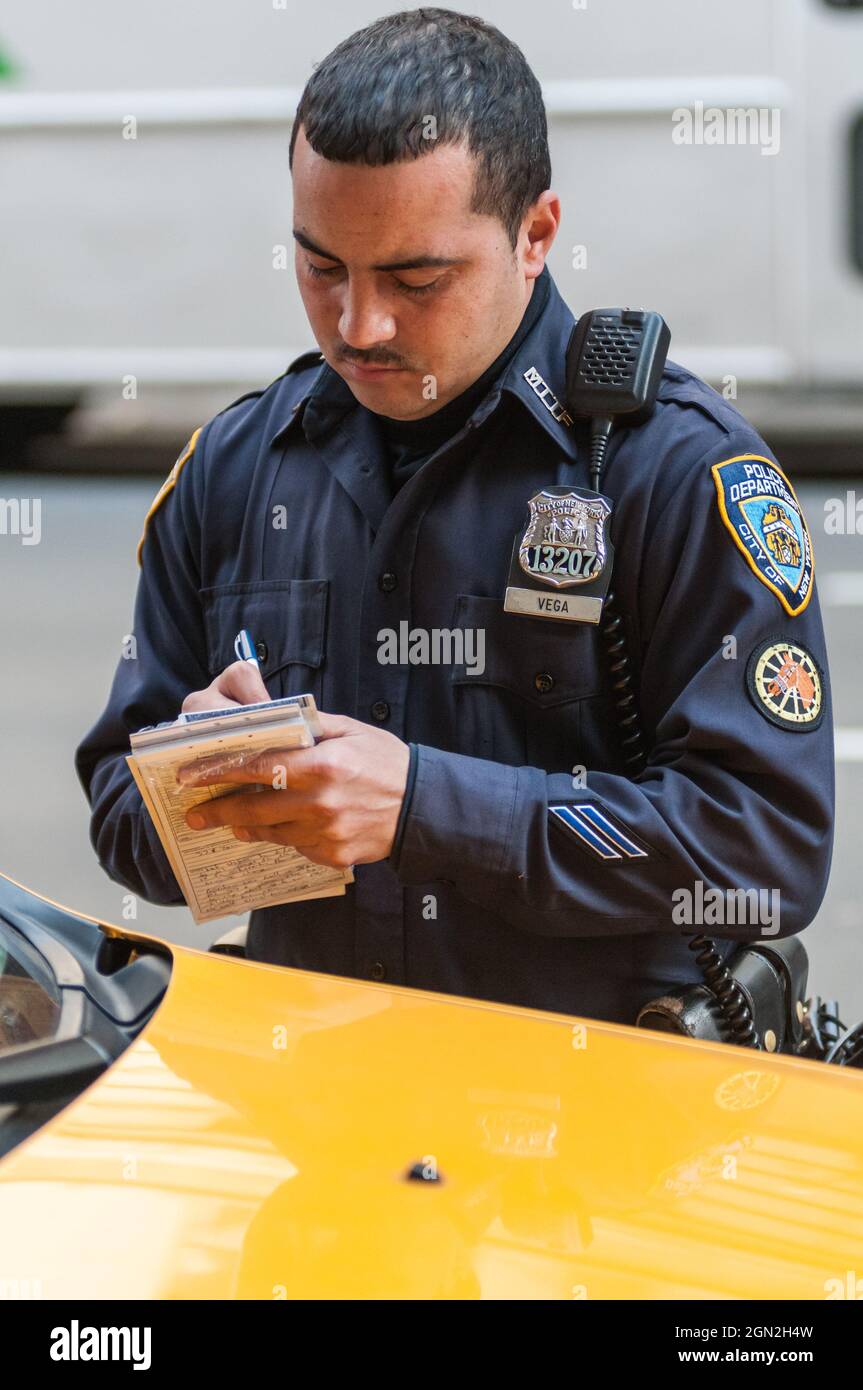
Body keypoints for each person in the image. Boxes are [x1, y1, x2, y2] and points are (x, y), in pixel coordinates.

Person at [75, 8, 834, 1027]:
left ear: (535, 234)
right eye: (319, 266)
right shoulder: (237, 467)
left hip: (603, 1133)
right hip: (321, 1118)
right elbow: (122, 816)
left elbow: (761, 851)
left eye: (413, 278)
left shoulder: (676, 470)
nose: (359, 325)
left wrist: (423, 807)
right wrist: (198, 788)